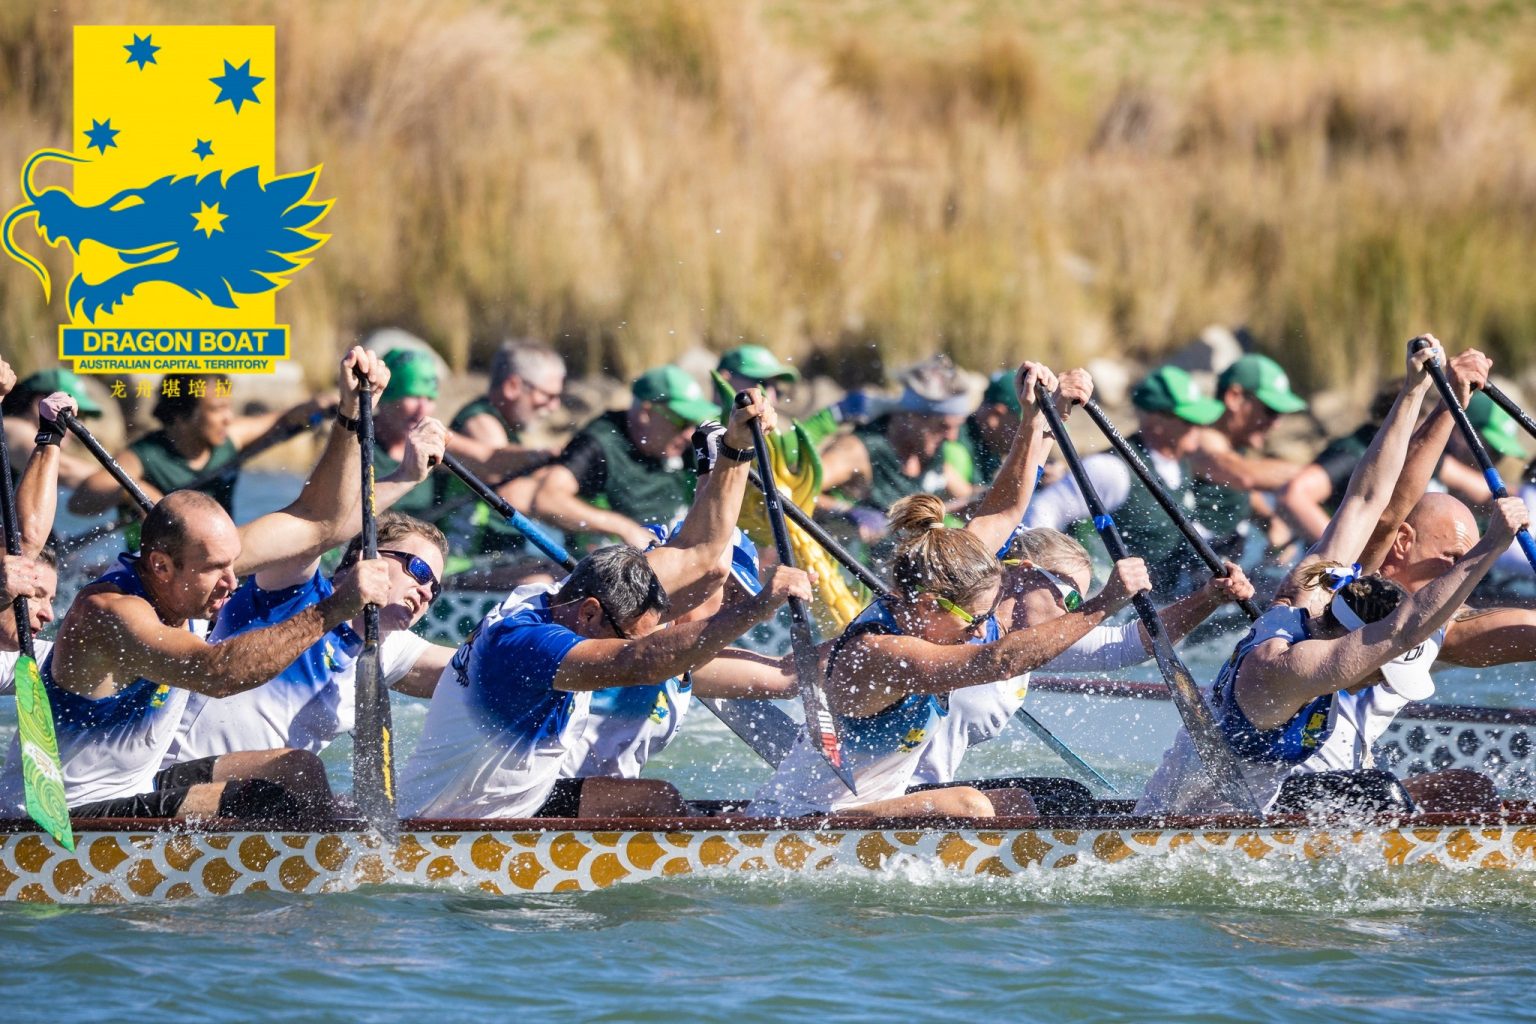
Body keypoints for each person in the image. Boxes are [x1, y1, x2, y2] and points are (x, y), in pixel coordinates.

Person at [0, 349, 399, 821]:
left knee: (299, 771)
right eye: (217, 569)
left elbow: (319, 522)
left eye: (234, 564)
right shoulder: (110, 612)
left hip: (139, 783)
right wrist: (333, 610)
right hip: (66, 816)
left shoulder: (198, 571)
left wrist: (352, 413)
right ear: (162, 567)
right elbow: (218, 674)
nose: (233, 583)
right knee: (271, 805)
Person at [1138, 336, 1526, 816]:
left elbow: (1365, 499)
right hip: (1187, 829)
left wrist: (1415, 392)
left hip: (1277, 808)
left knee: (1463, 788)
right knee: (1375, 795)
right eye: (1381, 669)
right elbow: (1402, 620)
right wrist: (1490, 548)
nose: (1378, 679)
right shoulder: (1289, 667)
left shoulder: (1312, 591)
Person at [746, 363, 1153, 819]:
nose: (981, 629)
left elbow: (1005, 505)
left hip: (873, 810)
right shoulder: (884, 650)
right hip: (805, 825)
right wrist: (1100, 606)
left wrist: (1043, 417)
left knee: (1041, 801)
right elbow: (998, 660)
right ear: (928, 604)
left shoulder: (947, 579)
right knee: (969, 806)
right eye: (976, 620)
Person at [399, 390, 809, 820]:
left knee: (659, 800)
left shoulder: (556, 605)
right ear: (590, 612)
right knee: (659, 802)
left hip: (520, 802)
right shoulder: (531, 642)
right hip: (450, 823)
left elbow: (703, 561)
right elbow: (644, 656)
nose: (726, 603)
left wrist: (730, 454)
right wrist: (756, 609)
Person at [905, 527, 1255, 801]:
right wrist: (1106, 601)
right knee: (1050, 801)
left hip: (930, 795)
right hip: (897, 796)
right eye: (1071, 597)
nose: (1073, 613)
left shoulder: (1036, 640)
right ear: (1025, 573)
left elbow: (1129, 644)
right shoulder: (951, 630)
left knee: (1066, 797)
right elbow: (1001, 657)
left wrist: (1209, 597)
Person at [1023, 366, 1226, 593]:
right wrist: (1044, 580)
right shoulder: (1111, 470)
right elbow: (1042, 510)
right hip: (1106, 606)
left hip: (1162, 600)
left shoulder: (1181, 466)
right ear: (1156, 420)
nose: (1200, 428)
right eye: (1190, 421)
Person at [68, 372, 327, 518]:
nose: (228, 417)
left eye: (229, 408)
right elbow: (79, 503)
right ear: (181, 419)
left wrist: (326, 403)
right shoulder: (145, 455)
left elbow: (284, 420)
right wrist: (137, 492)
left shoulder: (231, 438)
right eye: (217, 410)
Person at [528, 365, 720, 550]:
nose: (689, 434)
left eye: (694, 422)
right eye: (681, 421)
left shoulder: (687, 443)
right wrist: (624, 528)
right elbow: (547, 499)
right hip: (607, 561)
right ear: (646, 413)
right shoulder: (600, 442)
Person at [818, 355, 976, 540]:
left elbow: (968, 497)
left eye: (957, 426)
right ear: (911, 416)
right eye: (943, 426)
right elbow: (791, 491)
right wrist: (847, 511)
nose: (952, 437)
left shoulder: (928, 456)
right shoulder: (858, 450)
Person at [439, 340, 567, 560]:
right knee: (551, 576)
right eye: (548, 396)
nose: (554, 407)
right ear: (512, 387)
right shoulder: (480, 423)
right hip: (461, 560)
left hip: (492, 555)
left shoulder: (505, 424)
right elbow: (511, 492)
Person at [1184, 353, 1312, 562]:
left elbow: (1243, 492)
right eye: (1271, 411)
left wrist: (1270, 521)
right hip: (1183, 575)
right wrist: (1323, 477)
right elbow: (1244, 476)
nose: (1276, 424)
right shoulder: (1201, 439)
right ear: (1234, 397)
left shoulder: (1233, 447)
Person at [1, 368, 103, 487]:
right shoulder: (12, 429)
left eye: (83, 417)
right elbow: (65, 469)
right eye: (73, 413)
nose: (80, 424)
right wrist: (115, 484)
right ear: (40, 404)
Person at [718, 344, 800, 404]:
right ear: (724, 378)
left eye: (778, 393)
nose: (772, 400)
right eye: (763, 384)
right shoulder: (706, 423)